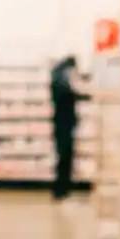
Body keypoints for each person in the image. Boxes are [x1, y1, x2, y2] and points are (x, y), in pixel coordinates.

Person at [50, 56, 79, 200]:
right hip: (64, 127)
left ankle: (63, 188)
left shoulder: (58, 83)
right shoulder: (63, 86)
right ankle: (61, 189)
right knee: (64, 157)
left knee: (63, 157)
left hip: (62, 126)